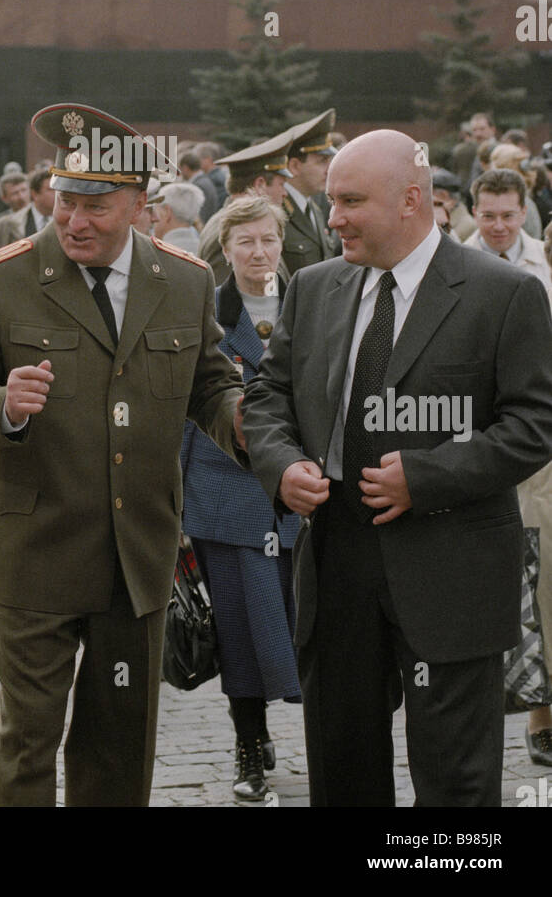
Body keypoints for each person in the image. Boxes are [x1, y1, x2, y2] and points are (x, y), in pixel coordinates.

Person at [0, 103, 244, 807]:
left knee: (119, 740)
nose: (74, 220)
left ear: (141, 204)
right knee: (27, 742)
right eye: (64, 200)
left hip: (135, 556)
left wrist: (242, 423)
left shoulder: (186, 280)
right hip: (35, 553)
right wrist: (3, 407)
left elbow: (210, 384)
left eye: (96, 206)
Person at [242, 129, 552, 807]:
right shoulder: (315, 289)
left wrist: (430, 475)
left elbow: (534, 425)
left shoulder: (503, 294)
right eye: (330, 201)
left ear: (410, 201)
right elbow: (267, 398)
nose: (332, 218)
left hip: (451, 575)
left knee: (455, 786)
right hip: (336, 569)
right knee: (342, 771)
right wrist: (282, 465)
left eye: (350, 201)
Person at [181, 196, 300, 804]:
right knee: (239, 626)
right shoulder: (208, 311)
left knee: (311, 621)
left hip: (303, 491)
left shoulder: (312, 299)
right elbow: (187, 407)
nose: (259, 253)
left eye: (268, 240)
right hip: (223, 489)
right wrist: (175, 505)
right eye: (246, 243)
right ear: (225, 249)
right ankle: (250, 744)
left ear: (282, 244)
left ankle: (336, 741)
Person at [465, 168, 552, 763]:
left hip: (541, 449)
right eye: (488, 214)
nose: (498, 226)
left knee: (543, 582)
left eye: (508, 215)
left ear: (524, 212)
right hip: (479, 441)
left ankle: (541, 715)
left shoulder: (545, 266)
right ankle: (483, 715)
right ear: (476, 211)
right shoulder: (453, 263)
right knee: (492, 581)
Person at [198, 128, 294, 284]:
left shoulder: (241, 224)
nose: (284, 193)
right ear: (260, 184)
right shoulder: (229, 229)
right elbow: (228, 301)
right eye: (281, 184)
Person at [281, 110, 341, 276]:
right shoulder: (277, 212)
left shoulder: (314, 208)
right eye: (322, 162)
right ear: (294, 166)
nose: (329, 170)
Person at [0, 165, 55, 253]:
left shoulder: (67, 219)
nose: (21, 197)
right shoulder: (2, 226)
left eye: (24, 190)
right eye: (15, 193)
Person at [149, 181, 203, 254]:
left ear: (167, 212)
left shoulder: (157, 254)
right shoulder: (203, 250)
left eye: (155, 210)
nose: (154, 218)